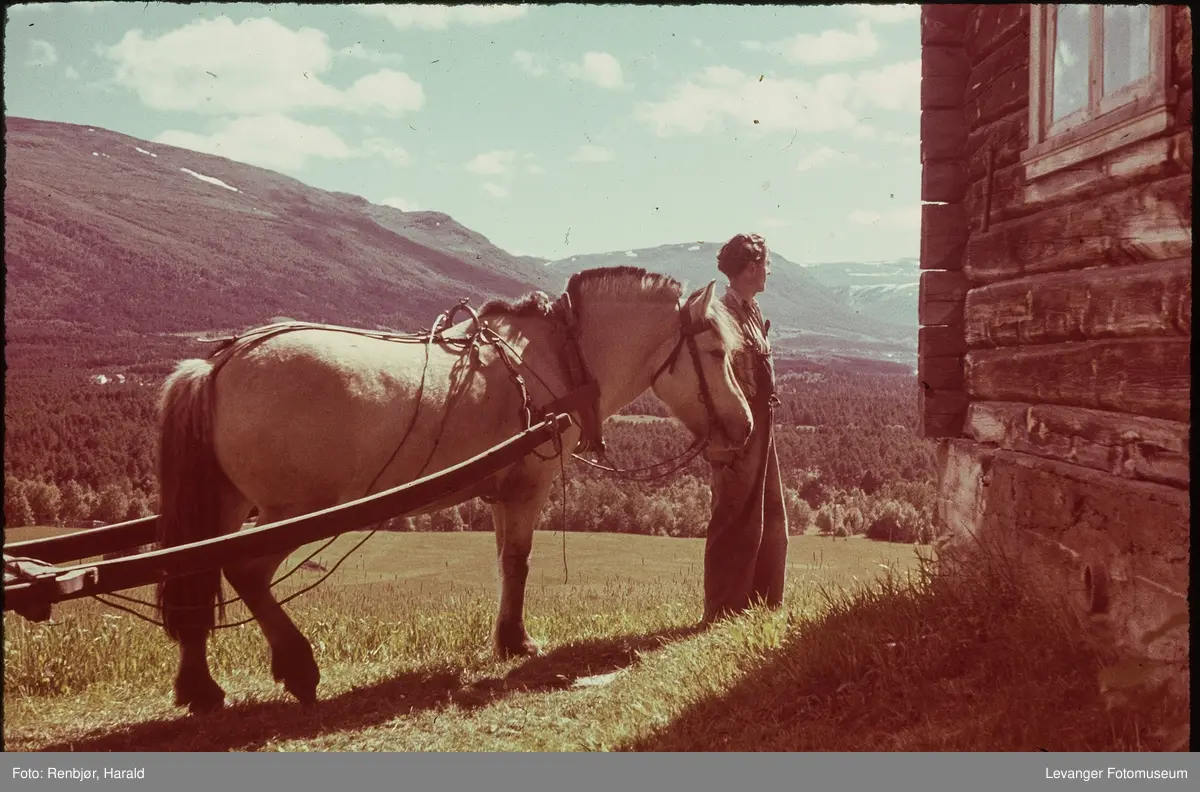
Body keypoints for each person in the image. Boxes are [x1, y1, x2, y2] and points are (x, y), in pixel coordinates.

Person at [701, 232, 788, 625]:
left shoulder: (751, 309)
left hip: (761, 424)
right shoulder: (721, 314)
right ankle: (722, 611)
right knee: (733, 516)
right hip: (737, 430)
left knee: (769, 514)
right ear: (752, 267)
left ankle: (762, 604)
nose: (769, 271)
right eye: (766, 264)